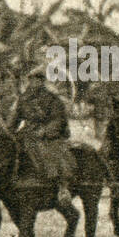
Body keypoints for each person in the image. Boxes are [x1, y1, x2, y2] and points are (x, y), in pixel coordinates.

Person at [9, 79, 75, 207]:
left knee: (49, 151)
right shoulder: (24, 99)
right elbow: (15, 119)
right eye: (31, 80)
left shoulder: (53, 100)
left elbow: (59, 119)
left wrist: (44, 131)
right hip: (28, 132)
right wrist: (9, 132)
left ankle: (61, 185)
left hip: (49, 135)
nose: (33, 83)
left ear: (42, 82)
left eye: (37, 80)